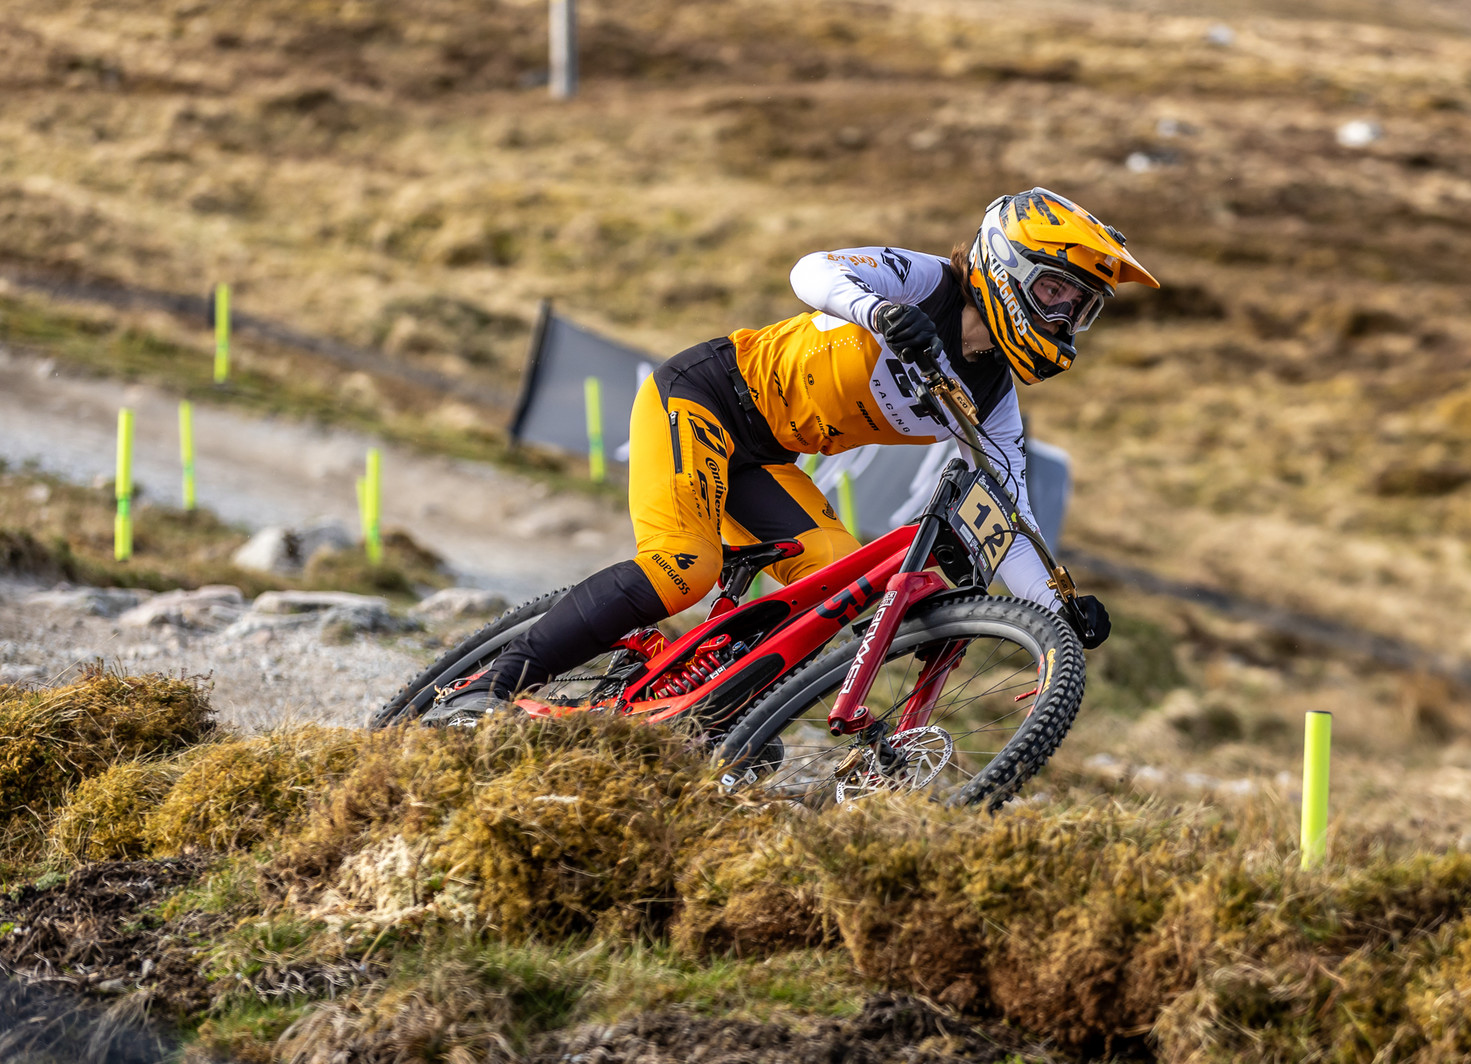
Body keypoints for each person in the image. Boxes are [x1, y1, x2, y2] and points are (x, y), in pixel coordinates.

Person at [461, 187, 1159, 709]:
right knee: (682, 570)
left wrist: (1056, 616)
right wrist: (879, 310)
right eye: (1056, 290)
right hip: (702, 396)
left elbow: (1010, 525)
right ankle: (487, 688)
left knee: (838, 586)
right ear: (1006, 266)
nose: (1066, 315)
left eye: (1082, 306)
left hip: (764, 461)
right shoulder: (927, 282)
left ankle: (709, 714)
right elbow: (812, 270)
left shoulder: (994, 403)